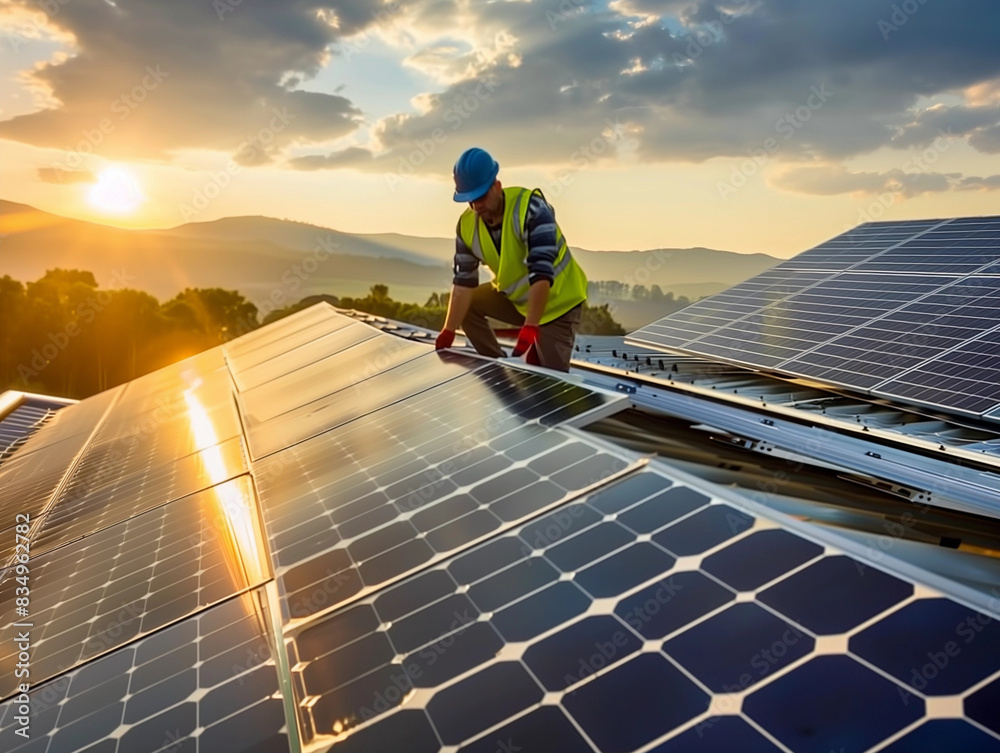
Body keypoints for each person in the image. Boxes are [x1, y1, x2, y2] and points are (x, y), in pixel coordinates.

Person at [434, 147, 588, 372]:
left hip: (558, 305)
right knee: (469, 304)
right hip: (518, 301)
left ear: (497, 187)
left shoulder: (531, 209)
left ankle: (536, 369)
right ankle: (498, 368)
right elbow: (463, 281)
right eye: (470, 201)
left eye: (481, 197)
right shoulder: (467, 224)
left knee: (551, 381)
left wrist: (531, 327)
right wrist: (449, 329)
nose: (477, 206)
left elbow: (541, 274)